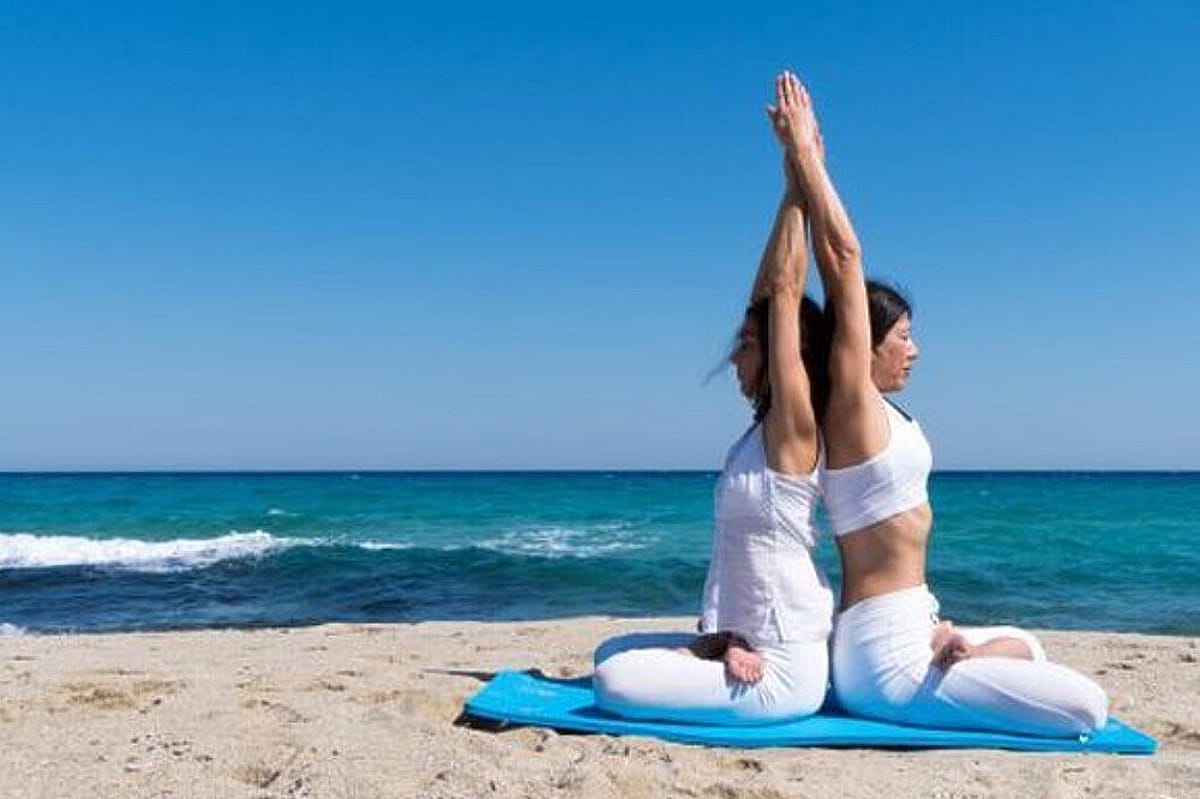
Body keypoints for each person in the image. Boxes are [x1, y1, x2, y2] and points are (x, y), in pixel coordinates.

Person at [772, 70, 1108, 736]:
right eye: (902, 337)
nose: (914, 350)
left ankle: (967, 648)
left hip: (917, 621)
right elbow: (842, 256)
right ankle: (962, 656)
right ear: (862, 347)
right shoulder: (852, 404)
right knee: (1085, 706)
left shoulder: (886, 415)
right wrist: (804, 158)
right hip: (883, 656)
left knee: (1025, 642)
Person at [590, 76, 835, 725]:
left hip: (784, 667)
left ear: (788, 356)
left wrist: (803, 165)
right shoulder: (760, 435)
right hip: (747, 646)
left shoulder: (793, 426)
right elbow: (768, 296)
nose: (735, 354)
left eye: (749, 345)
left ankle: (729, 651)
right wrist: (790, 187)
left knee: (614, 678)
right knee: (608, 648)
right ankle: (719, 643)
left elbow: (783, 293)